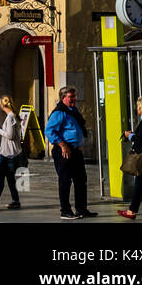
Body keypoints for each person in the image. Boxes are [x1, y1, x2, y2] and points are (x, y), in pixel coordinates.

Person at [45, 85, 95, 219]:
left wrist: (78, 144)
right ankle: (65, 211)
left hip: (75, 150)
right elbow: (49, 131)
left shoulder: (72, 110)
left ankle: (81, 209)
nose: (74, 99)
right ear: (63, 98)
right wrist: (62, 145)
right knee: (65, 180)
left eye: (74, 96)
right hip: (64, 151)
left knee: (81, 180)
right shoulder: (59, 112)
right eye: (71, 97)